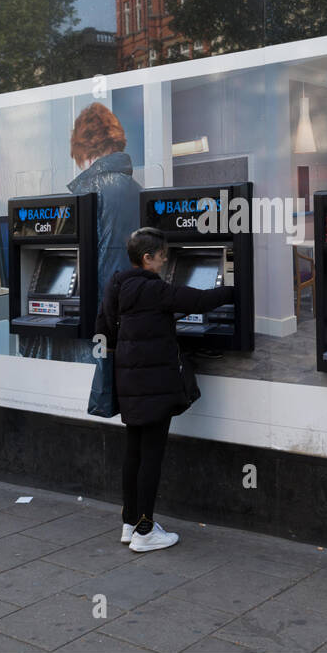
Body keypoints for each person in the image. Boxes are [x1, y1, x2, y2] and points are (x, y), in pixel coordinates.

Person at [96, 227, 235, 552]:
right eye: (162, 256)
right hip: (154, 386)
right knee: (151, 458)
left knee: (134, 453)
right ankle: (145, 531)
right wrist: (236, 290)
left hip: (128, 383)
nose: (166, 260)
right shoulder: (153, 290)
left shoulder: (116, 285)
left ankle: (129, 523)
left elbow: (103, 330)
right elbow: (200, 300)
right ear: (147, 258)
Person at [23, 102, 141, 362]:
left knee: (94, 393)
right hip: (130, 315)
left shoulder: (87, 192)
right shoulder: (138, 190)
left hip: (92, 322)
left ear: (84, 150)